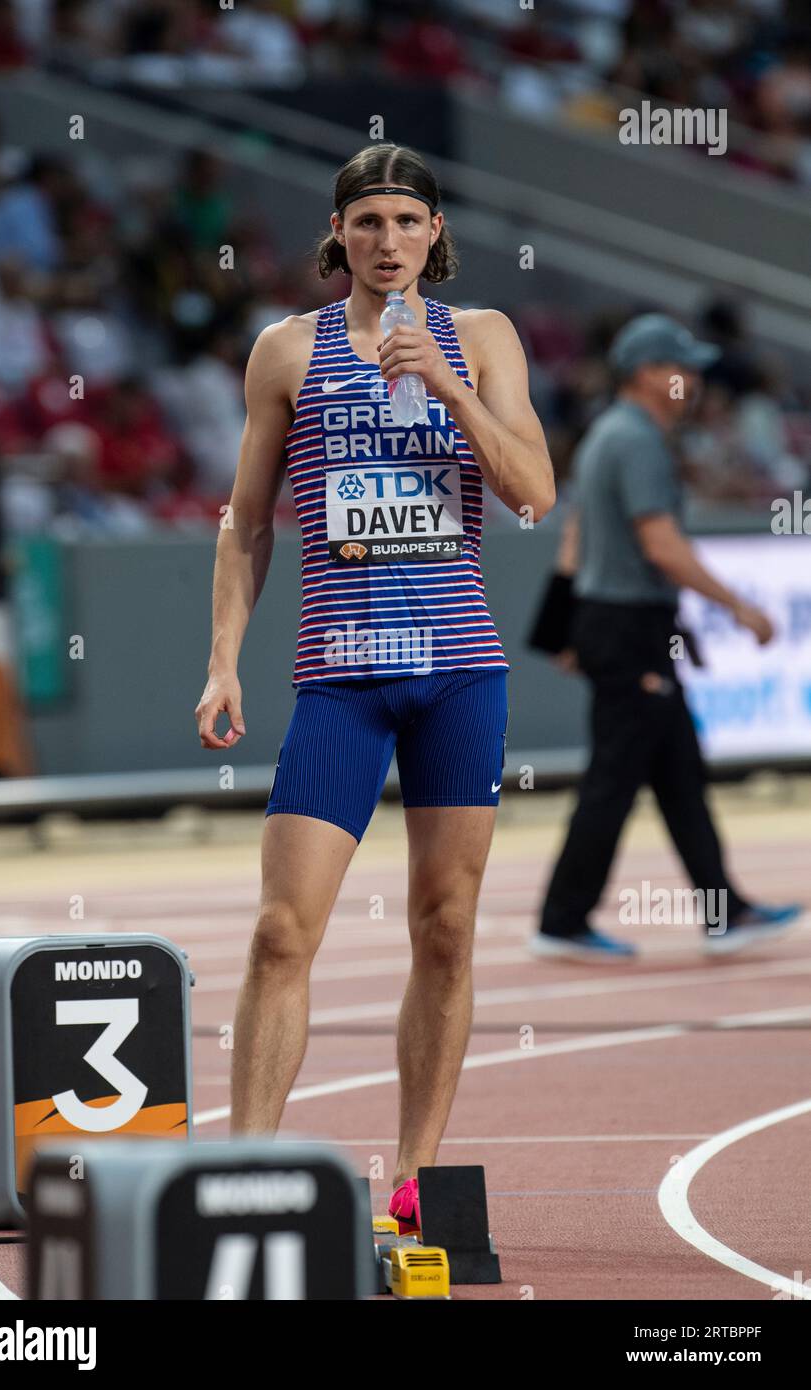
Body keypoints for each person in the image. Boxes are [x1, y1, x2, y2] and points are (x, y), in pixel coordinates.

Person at [195, 142, 554, 1231]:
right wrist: (222, 657)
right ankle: (242, 1174)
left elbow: (532, 489)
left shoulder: (481, 338)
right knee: (278, 931)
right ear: (337, 235)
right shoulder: (284, 351)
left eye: (406, 221)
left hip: (456, 674)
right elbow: (246, 518)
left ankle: (411, 1177)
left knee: (444, 926)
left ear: (434, 234)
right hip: (338, 680)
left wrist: (448, 387)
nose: (387, 240)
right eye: (367, 223)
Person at [531, 313, 803, 963]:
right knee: (614, 779)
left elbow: (577, 538)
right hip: (631, 628)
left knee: (678, 771)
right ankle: (562, 919)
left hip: (615, 621)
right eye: (682, 370)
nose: (693, 382)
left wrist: (563, 628)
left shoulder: (609, 435)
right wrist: (741, 608)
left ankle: (724, 910)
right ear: (649, 374)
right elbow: (662, 546)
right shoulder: (638, 441)